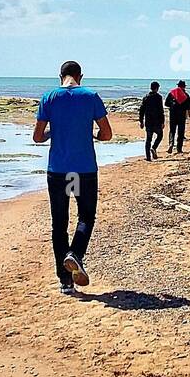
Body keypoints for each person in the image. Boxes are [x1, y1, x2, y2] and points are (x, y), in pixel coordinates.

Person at [33, 60, 112, 295]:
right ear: (80, 76)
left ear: (60, 76)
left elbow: (38, 137)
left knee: (59, 224)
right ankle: (75, 253)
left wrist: (54, 131)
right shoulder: (90, 96)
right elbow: (107, 134)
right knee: (86, 217)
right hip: (84, 170)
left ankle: (65, 282)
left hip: (58, 170)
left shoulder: (48, 98)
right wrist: (93, 135)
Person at [138, 81, 165, 161]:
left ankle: (148, 157)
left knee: (148, 139)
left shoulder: (146, 97)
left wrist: (141, 120)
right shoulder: (159, 97)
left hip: (148, 122)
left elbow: (142, 110)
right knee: (160, 136)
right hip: (157, 121)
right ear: (157, 88)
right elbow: (161, 110)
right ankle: (154, 147)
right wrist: (162, 121)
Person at [165, 79, 190, 154]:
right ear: (184, 87)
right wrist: (189, 113)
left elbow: (166, 104)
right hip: (182, 115)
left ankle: (171, 144)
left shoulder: (172, 93)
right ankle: (179, 149)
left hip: (173, 114)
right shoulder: (186, 95)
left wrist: (172, 105)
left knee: (172, 130)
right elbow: (188, 106)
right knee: (181, 132)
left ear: (178, 86)